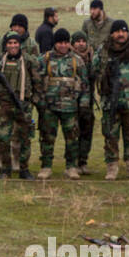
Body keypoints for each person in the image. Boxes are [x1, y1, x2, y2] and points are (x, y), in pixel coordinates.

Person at [91, 19, 129, 180]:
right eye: (117, 31)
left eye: (124, 31)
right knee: (110, 134)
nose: (121, 34)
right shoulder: (103, 50)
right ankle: (112, 167)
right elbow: (94, 69)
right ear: (112, 33)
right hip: (111, 101)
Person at [34, 28, 87, 179]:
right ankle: (46, 166)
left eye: (65, 43)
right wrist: (40, 102)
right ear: (55, 44)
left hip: (70, 107)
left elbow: (85, 84)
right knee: (47, 137)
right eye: (59, 43)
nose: (63, 46)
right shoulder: (44, 59)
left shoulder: (77, 60)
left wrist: (83, 103)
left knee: (72, 138)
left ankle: (71, 167)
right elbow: (36, 81)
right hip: (49, 107)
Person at [0, 30, 37, 179]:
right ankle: (6, 169)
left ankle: (24, 169)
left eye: (15, 43)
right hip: (4, 105)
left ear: (20, 45)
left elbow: (36, 81)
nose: (13, 46)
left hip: (23, 105)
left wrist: (34, 101)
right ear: (5, 45)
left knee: (25, 138)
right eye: (10, 43)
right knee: (3, 138)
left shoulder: (28, 61)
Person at [70, 31, 96, 174]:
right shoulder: (69, 57)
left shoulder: (93, 57)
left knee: (87, 131)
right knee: (73, 132)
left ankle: (83, 161)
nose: (81, 43)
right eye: (78, 41)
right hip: (71, 101)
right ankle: (72, 162)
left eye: (83, 41)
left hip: (89, 101)